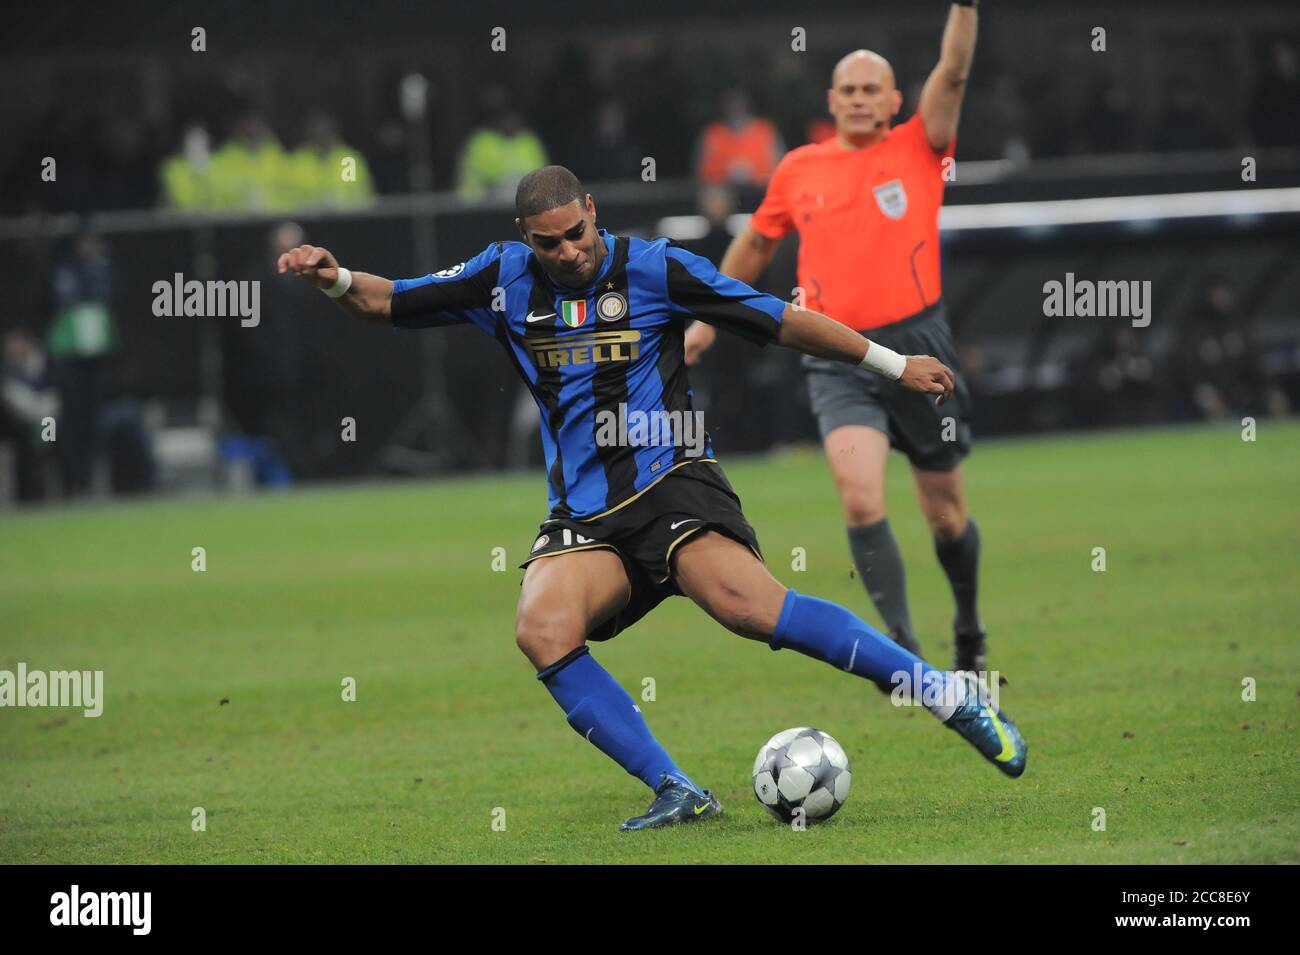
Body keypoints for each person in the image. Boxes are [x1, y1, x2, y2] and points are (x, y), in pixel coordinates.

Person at [278, 165, 1027, 831]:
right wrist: (335, 278)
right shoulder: (501, 276)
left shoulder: (657, 268)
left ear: (594, 211)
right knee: (541, 628)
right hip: (584, 513)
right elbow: (387, 302)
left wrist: (895, 364)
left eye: (575, 233)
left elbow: (779, 320)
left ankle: (946, 695)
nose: (566, 251)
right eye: (549, 242)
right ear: (524, 238)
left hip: (671, 483)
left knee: (749, 609)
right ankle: (677, 788)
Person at [686, 1, 990, 674]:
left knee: (945, 514)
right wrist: (709, 317)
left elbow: (956, 69)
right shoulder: (799, 168)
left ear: (893, 100)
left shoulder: (920, 144)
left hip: (922, 347)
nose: (857, 99)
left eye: (869, 89)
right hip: (837, 354)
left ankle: (968, 624)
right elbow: (758, 243)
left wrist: (965, 6)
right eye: (846, 90)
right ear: (831, 99)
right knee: (858, 495)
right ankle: (904, 653)